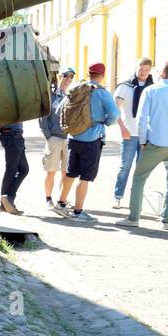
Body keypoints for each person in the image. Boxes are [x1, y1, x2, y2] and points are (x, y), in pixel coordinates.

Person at [118, 61, 168, 228]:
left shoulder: (150, 90)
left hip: (156, 143)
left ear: (160, 72)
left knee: (139, 177)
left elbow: (142, 119)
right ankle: (165, 220)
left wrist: (143, 141)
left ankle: (133, 218)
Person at [55, 62, 119, 223]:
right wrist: (105, 122)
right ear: (102, 75)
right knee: (85, 177)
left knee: (70, 172)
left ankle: (61, 203)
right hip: (92, 138)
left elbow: (58, 110)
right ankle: (78, 212)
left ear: (89, 73)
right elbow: (114, 114)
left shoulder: (75, 88)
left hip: (73, 138)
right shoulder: (102, 93)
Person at [112, 58, 154, 208]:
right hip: (129, 134)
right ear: (136, 68)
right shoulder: (125, 86)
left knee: (141, 169)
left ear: (150, 70)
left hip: (146, 136)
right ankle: (118, 195)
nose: (143, 73)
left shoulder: (153, 88)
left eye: (147, 70)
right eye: (141, 69)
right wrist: (122, 127)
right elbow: (114, 109)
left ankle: (136, 199)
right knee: (125, 167)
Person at [39, 67, 75, 211]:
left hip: (69, 139)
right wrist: (48, 136)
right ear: (60, 76)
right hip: (53, 138)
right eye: (66, 76)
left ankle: (62, 199)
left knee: (66, 171)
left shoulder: (72, 96)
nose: (68, 79)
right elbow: (43, 117)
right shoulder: (51, 95)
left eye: (71, 77)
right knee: (51, 170)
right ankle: (48, 199)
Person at [0, 122, 29, 214]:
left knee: (23, 169)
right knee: (11, 170)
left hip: (16, 135)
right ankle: (5, 202)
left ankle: (7, 200)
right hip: (12, 135)